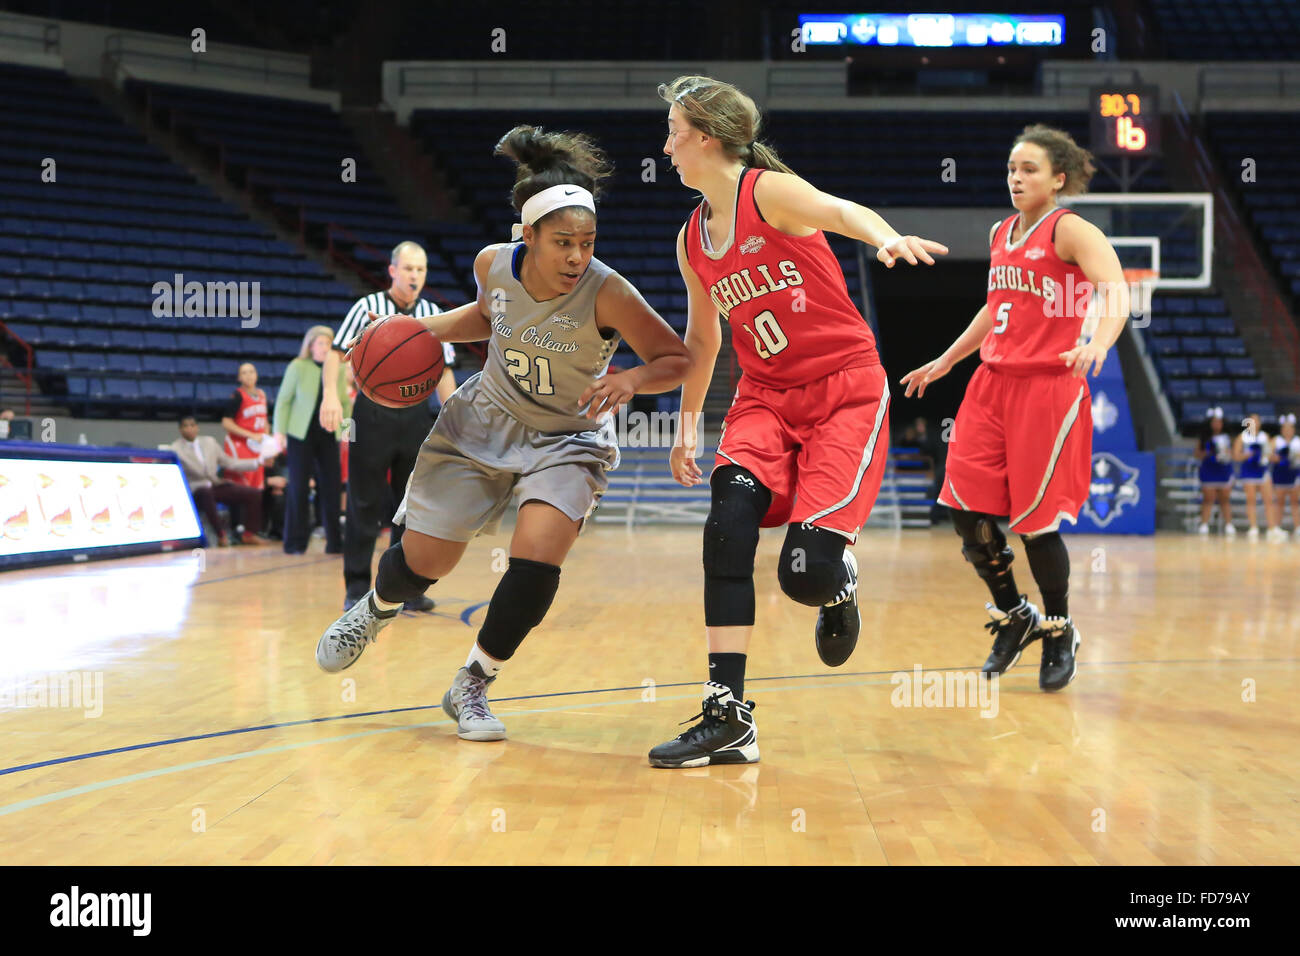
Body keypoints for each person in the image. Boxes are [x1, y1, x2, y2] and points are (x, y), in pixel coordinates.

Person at [315, 125, 691, 743]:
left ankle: (472, 683)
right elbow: (486, 317)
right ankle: (376, 608)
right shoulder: (493, 263)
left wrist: (631, 381)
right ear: (530, 235)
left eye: (588, 242)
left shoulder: (610, 292)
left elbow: (676, 359)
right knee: (425, 561)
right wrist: (422, 332)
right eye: (564, 242)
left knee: (538, 554)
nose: (577, 256)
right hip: (485, 419)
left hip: (568, 437)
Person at [650, 75, 947, 768]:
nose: (666, 148)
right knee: (726, 529)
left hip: (843, 390)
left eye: (673, 133)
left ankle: (836, 581)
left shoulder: (766, 193)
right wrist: (688, 423)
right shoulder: (692, 238)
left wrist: (884, 237)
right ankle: (728, 714)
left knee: (803, 575)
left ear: (707, 139)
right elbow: (703, 343)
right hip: (765, 397)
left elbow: (841, 211)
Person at [902, 124, 1128, 693]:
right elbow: (994, 307)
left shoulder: (1071, 229)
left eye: (1029, 169)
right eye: (1011, 169)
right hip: (992, 383)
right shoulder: (1003, 231)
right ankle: (1015, 613)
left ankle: (1059, 627)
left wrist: (1098, 342)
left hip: (1048, 387)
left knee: (1035, 522)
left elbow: (1117, 289)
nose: (1016, 178)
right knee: (963, 507)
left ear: (1058, 178)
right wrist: (948, 359)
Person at [321, 242, 459, 612]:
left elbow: (444, 370)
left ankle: (404, 588)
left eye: (421, 269)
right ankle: (356, 586)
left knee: (410, 507)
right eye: (409, 268)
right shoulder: (367, 308)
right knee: (363, 501)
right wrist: (331, 398)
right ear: (393, 270)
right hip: (369, 414)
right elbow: (335, 354)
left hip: (417, 415)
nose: (415, 275)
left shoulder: (433, 313)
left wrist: (455, 414)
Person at [274, 326, 349, 555]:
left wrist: (347, 432)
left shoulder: (340, 368)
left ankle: (335, 542)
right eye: (320, 343)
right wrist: (280, 432)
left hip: (328, 434)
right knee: (298, 487)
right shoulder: (298, 366)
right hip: (300, 434)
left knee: (332, 487)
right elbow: (284, 400)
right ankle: (295, 542)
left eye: (329, 343)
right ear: (310, 346)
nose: (325, 348)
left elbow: (345, 402)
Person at [170, 415, 267, 546]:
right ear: (180, 430)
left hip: (215, 484)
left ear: (197, 427)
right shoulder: (175, 449)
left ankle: (249, 534)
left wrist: (257, 462)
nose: (189, 429)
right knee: (206, 493)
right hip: (195, 489)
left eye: (192, 425)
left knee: (254, 494)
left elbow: (230, 463)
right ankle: (221, 536)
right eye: (185, 426)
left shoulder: (210, 442)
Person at [221, 363, 269, 495]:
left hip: (257, 445)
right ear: (239, 378)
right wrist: (250, 435)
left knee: (257, 487)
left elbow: (264, 420)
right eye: (244, 373)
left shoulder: (262, 394)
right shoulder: (237, 396)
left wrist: (267, 442)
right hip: (240, 444)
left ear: (257, 375)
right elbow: (226, 422)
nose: (249, 375)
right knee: (243, 486)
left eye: (251, 371)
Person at [1195, 407, 1234, 534]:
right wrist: (1209, 452)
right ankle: (1204, 524)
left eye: (1219, 422)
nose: (1217, 424)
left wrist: (1225, 454)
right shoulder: (1204, 438)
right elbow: (1197, 454)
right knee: (1208, 498)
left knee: (1225, 498)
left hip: (1223, 470)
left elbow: (1232, 453)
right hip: (1209, 470)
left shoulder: (1227, 437)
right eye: (1214, 422)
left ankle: (1228, 524)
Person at [1234, 413, 1272, 539]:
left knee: (1268, 499)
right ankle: (1253, 527)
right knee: (1251, 500)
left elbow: (1270, 453)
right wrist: (1248, 454)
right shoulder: (1242, 437)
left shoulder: (1264, 436)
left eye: (1257, 421)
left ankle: (1272, 528)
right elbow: (1236, 455)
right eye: (1252, 421)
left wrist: (1264, 457)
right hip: (1249, 472)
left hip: (1262, 471)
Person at [1271, 413, 1300, 540]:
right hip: (1280, 475)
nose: (1288, 431)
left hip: (1294, 474)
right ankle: (1277, 527)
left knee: (1295, 501)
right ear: (1282, 429)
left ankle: (1298, 527)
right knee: (1279, 502)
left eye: (1290, 428)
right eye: (1285, 428)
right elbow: (1269, 456)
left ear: (1293, 429)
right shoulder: (1276, 440)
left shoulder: (1298, 441)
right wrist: (1277, 458)